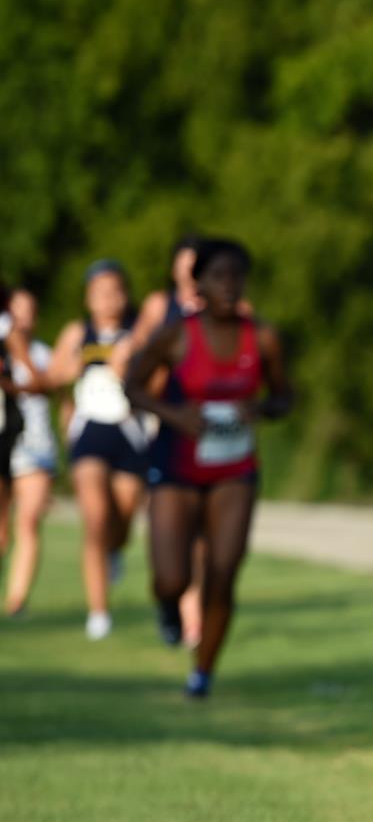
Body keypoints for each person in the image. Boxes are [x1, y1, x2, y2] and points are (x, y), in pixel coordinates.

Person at [125, 238, 293, 697]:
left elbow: (284, 396)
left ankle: (202, 673)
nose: (228, 285)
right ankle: (167, 607)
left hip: (234, 470)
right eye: (218, 276)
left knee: (222, 573)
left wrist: (259, 410)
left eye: (236, 277)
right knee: (172, 578)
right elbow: (133, 386)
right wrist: (176, 415)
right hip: (176, 467)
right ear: (196, 283)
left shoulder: (261, 336)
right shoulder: (175, 334)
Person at [46, 260, 148, 639]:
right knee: (95, 518)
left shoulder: (139, 333)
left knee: (120, 521)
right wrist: (72, 368)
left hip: (129, 429)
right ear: (89, 298)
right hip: (90, 431)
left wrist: (132, 365)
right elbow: (53, 375)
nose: (109, 299)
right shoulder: (78, 332)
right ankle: (99, 613)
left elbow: (157, 377)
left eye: (116, 290)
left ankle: (115, 551)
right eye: (101, 292)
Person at [130, 235, 207, 647]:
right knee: (167, 533)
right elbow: (136, 362)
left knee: (202, 534)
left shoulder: (230, 310)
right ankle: (167, 599)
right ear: (175, 268)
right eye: (187, 262)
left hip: (212, 438)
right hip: (166, 430)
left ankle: (193, 622)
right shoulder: (160, 308)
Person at [0, 287, 58, 618]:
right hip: (4, 442)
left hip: (34, 446)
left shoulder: (43, 354)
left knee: (28, 521)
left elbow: (48, 387)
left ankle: (17, 600)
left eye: (27, 312)